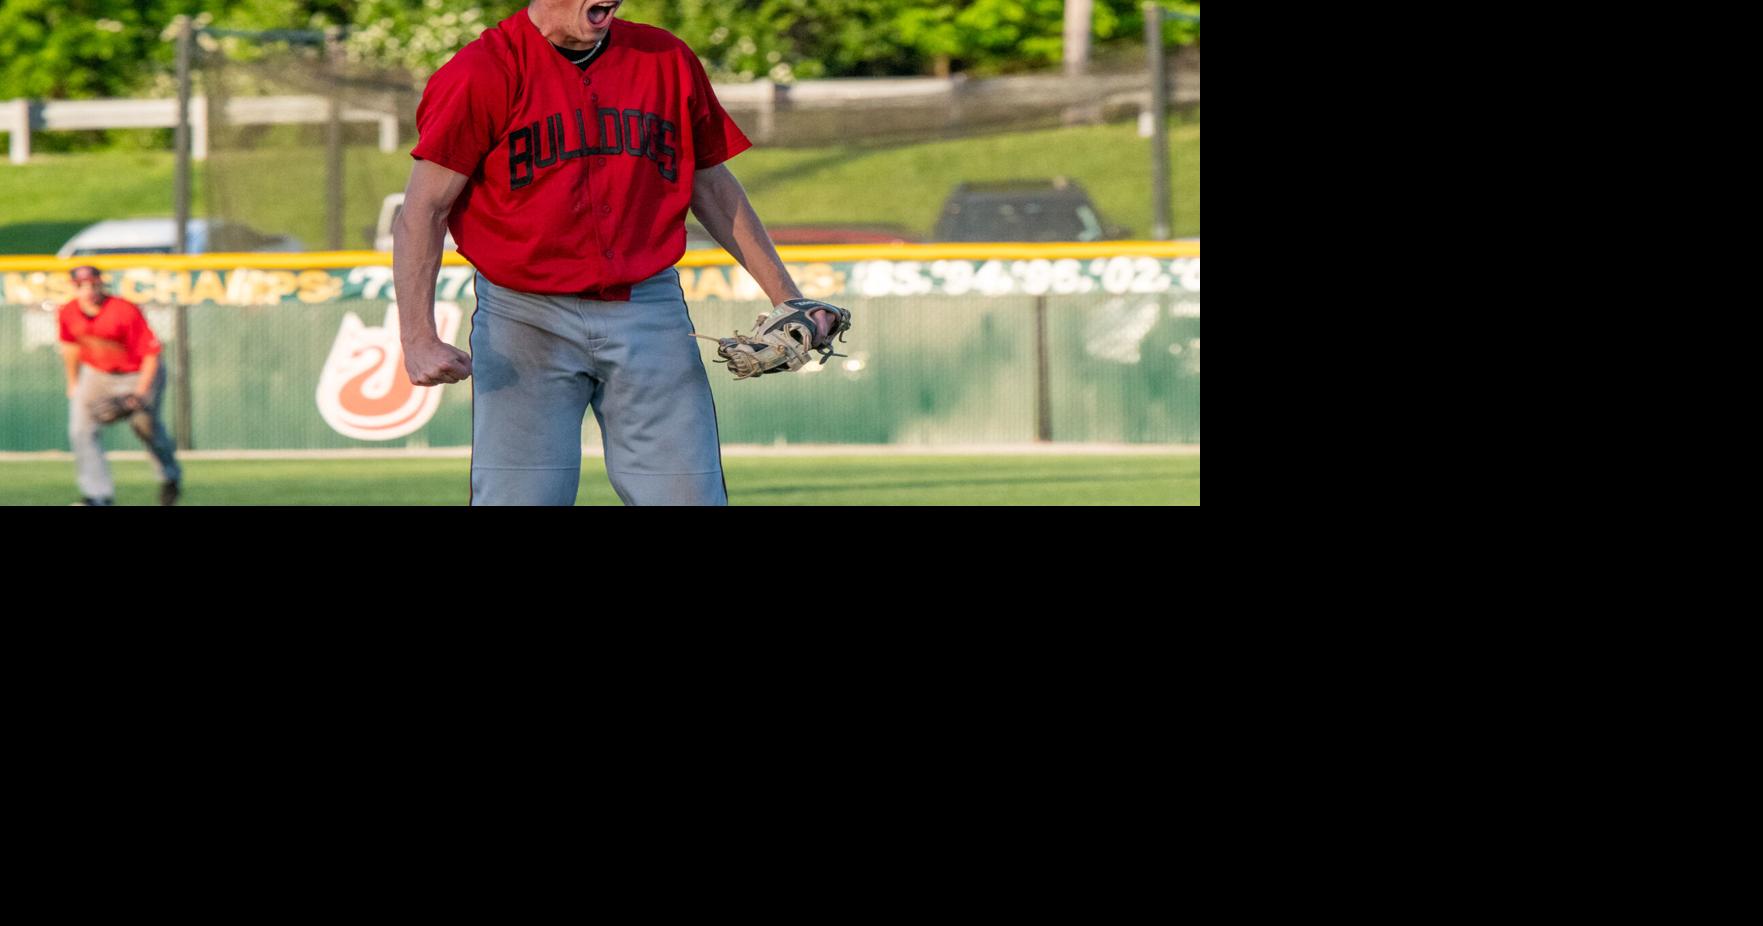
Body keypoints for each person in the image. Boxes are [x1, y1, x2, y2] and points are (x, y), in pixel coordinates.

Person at [394, 0, 841, 506]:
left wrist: (789, 299)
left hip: (648, 308)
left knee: (688, 498)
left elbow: (710, 184)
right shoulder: (482, 71)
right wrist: (418, 337)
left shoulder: (664, 58)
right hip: (524, 316)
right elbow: (422, 211)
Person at [59, 265, 182, 506]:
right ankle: (97, 495)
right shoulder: (67, 312)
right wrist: (73, 382)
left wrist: (141, 393)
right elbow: (70, 348)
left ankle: (170, 476)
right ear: (74, 287)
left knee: (145, 427)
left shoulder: (123, 310)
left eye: (94, 284)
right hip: (97, 373)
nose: (89, 290)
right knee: (81, 429)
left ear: (101, 284)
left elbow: (151, 353)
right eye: (82, 285)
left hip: (137, 373)